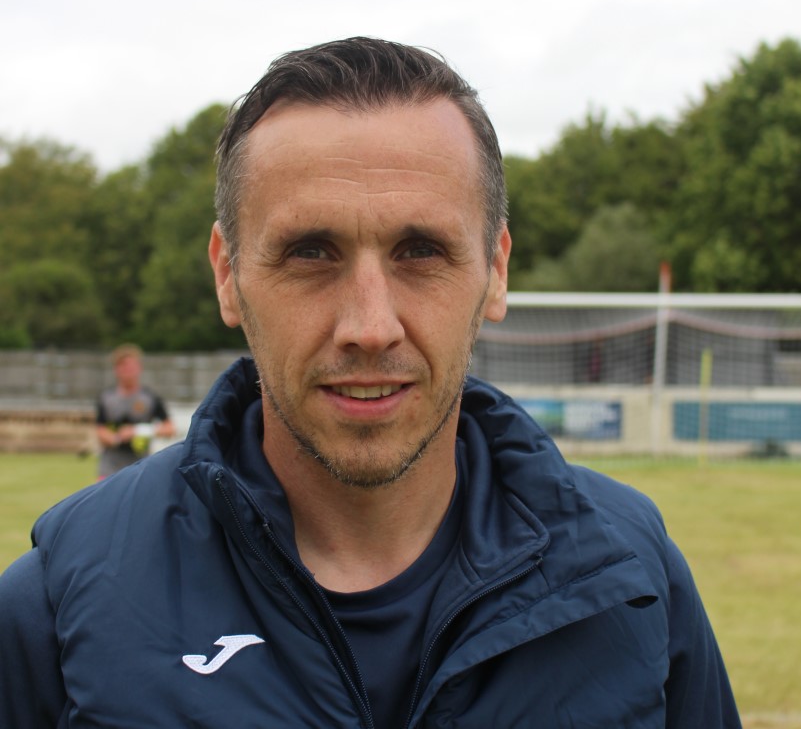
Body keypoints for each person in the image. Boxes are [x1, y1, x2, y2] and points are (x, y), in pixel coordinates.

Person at [0, 37, 740, 728]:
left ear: (496, 268)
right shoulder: (61, 603)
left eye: (420, 250)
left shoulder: (631, 575)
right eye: (310, 251)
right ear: (228, 274)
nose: (370, 326)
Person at [95, 343, 176, 479]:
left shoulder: (150, 398)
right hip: (109, 469)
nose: (128, 370)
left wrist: (137, 431)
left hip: (140, 468)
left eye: (131, 366)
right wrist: (116, 438)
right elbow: (100, 429)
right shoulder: (106, 398)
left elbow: (169, 429)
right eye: (123, 366)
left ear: (139, 368)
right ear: (116, 369)